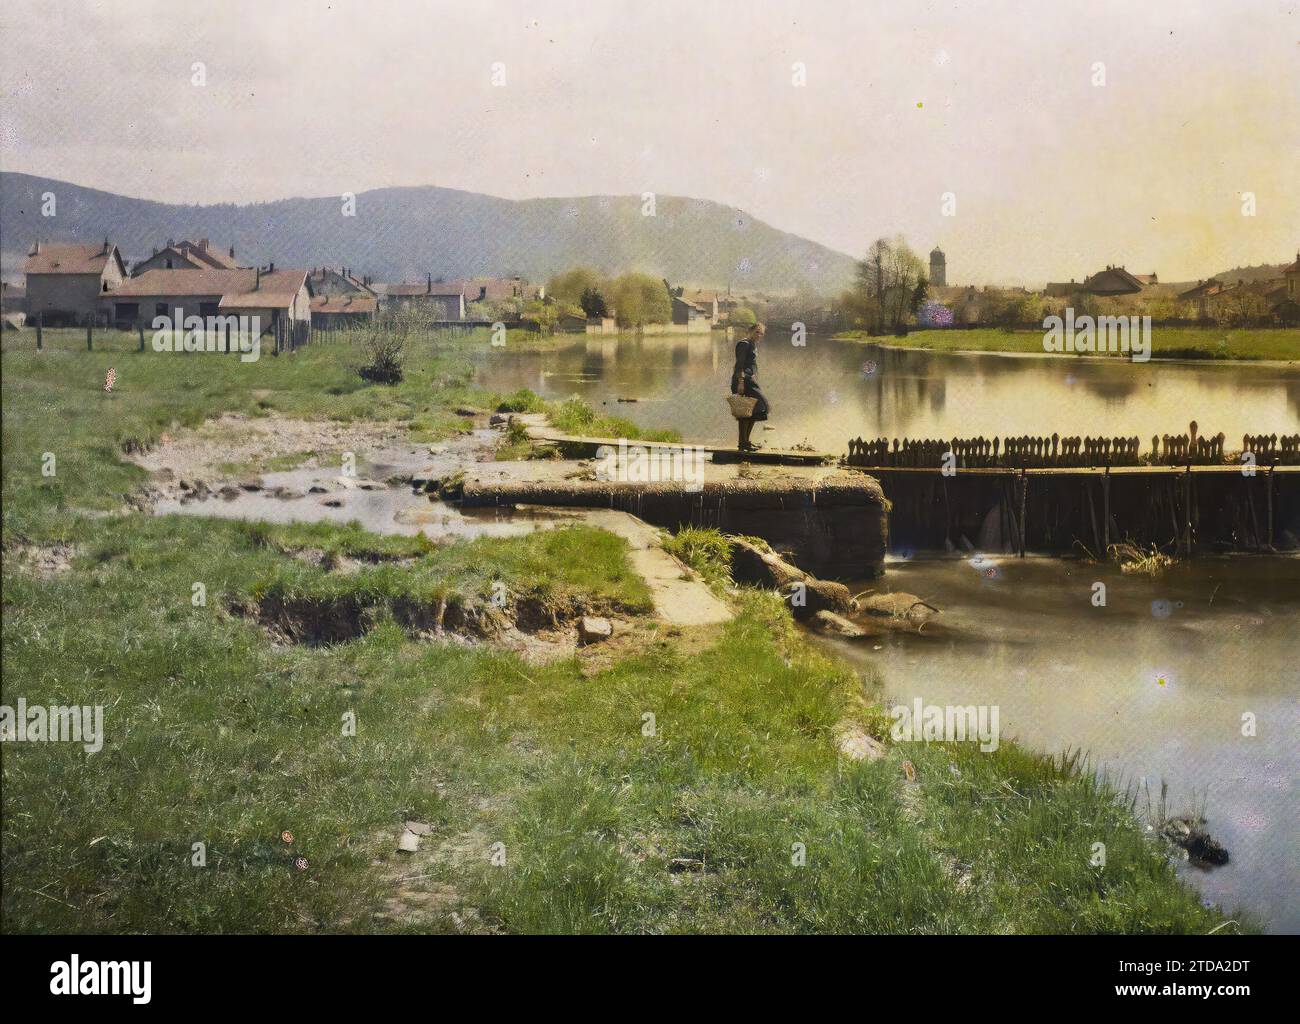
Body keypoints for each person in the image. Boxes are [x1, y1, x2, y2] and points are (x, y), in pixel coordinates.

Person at [730, 322, 769, 451]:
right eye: (757, 332)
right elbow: (740, 365)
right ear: (750, 331)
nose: (759, 335)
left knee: (753, 411)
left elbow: (751, 365)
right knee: (752, 410)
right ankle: (742, 444)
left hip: (750, 382)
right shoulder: (744, 344)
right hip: (743, 382)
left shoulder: (752, 345)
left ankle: (745, 443)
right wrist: (741, 381)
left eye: (761, 333)